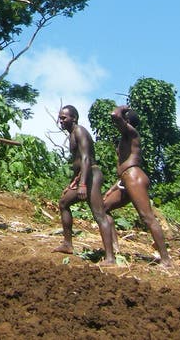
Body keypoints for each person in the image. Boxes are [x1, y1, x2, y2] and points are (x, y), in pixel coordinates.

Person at [103, 105, 171, 267]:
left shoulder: (132, 133)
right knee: (103, 207)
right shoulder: (124, 136)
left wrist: (124, 107)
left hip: (134, 177)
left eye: (123, 120)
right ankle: (114, 248)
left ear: (127, 121)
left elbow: (114, 114)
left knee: (147, 217)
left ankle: (166, 260)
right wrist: (113, 189)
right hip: (126, 179)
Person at [53, 105, 116, 265]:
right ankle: (68, 244)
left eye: (64, 117)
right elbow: (78, 163)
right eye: (60, 117)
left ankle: (110, 258)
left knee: (99, 214)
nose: (61, 121)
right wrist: (72, 183)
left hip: (92, 176)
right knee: (63, 203)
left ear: (74, 118)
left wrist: (82, 185)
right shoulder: (72, 134)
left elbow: (86, 158)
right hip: (83, 176)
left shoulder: (80, 131)